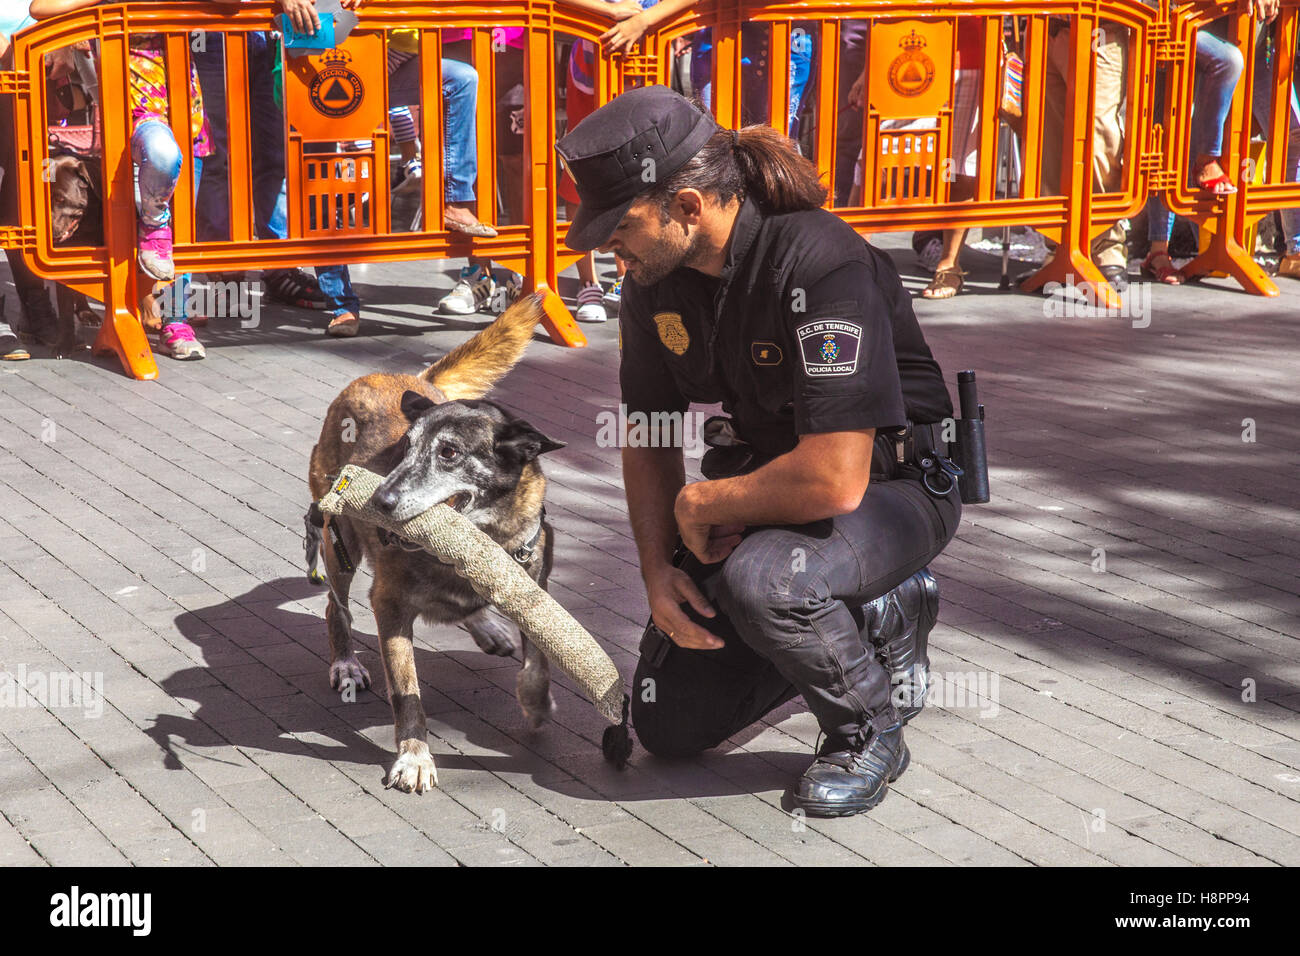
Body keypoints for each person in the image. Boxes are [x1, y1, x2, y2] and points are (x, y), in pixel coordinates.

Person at [556, 86, 962, 817]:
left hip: (890, 490)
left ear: (688, 206)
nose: (604, 245)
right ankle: (862, 623)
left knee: (769, 582)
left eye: (620, 225)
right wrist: (655, 571)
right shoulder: (654, 281)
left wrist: (701, 500)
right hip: (770, 492)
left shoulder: (820, 260)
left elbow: (837, 479)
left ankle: (869, 729)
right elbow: (648, 432)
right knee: (669, 725)